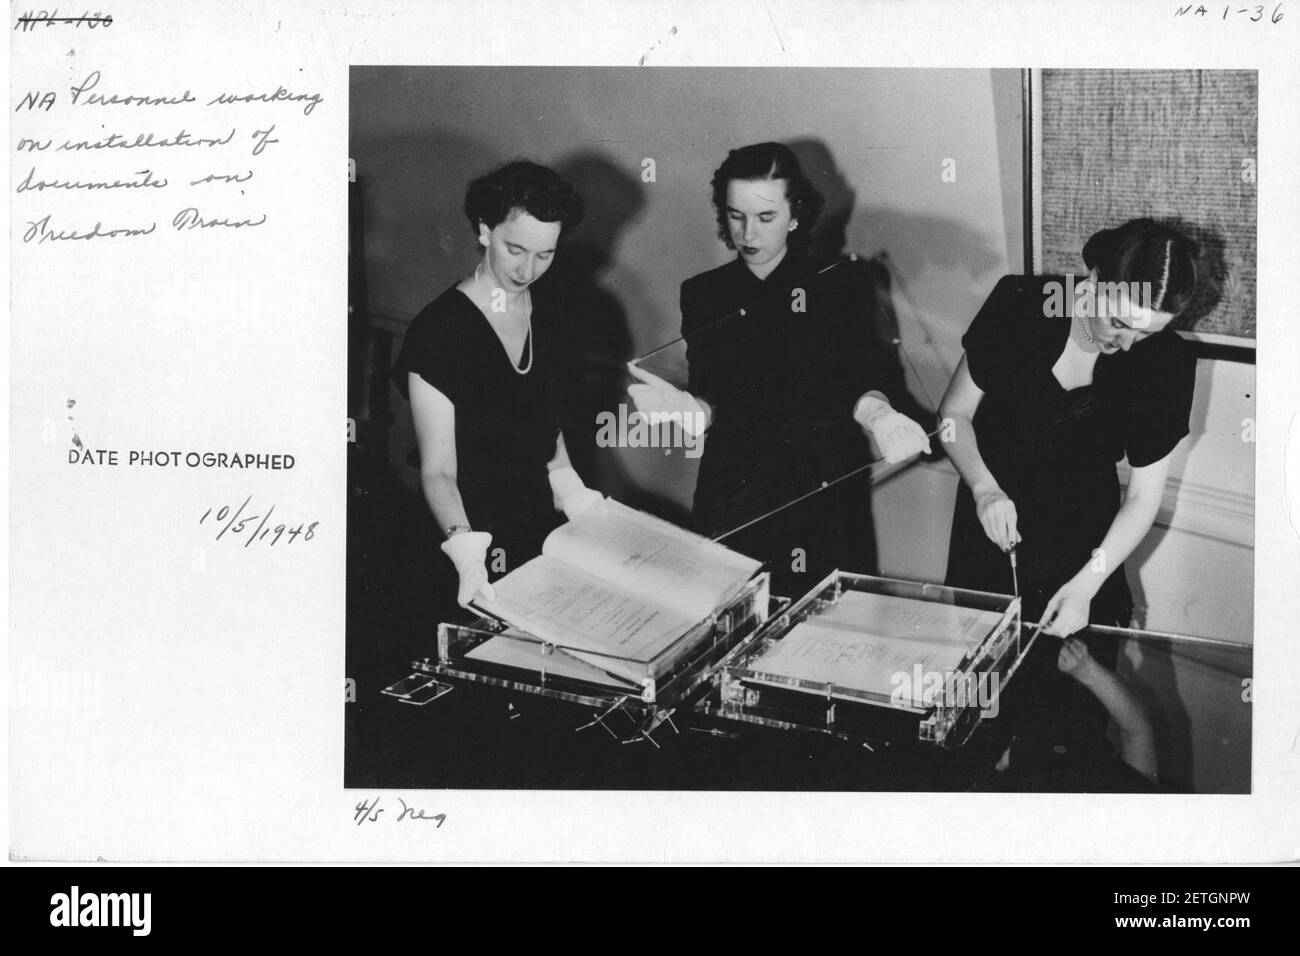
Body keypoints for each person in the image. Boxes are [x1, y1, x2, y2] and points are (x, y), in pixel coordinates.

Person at [940, 218, 1199, 756]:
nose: (1128, 345)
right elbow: (953, 417)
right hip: (991, 529)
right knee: (975, 720)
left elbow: (1143, 498)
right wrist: (984, 487)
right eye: (1121, 321)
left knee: (1065, 735)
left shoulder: (1167, 360)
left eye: (1146, 333)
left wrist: (1087, 584)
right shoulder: (1022, 304)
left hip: (1086, 549)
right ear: (1093, 277)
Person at [626, 142, 929, 594]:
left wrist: (881, 416)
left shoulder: (842, 284)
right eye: (736, 216)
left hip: (824, 492)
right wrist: (690, 411)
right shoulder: (704, 294)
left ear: (795, 215)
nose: (748, 233)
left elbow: (864, 379)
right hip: (734, 494)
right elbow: (716, 395)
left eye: (766, 218)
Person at [391, 160, 604, 612]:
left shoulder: (552, 311)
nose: (527, 269)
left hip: (534, 523)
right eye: (515, 249)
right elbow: (438, 472)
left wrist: (568, 484)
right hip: (462, 532)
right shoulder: (440, 331)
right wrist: (466, 551)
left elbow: (547, 420)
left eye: (544, 254)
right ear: (485, 230)